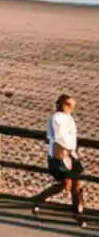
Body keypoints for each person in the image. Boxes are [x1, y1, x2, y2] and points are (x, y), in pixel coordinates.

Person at [30, 94, 87, 225]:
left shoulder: (69, 118)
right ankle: (39, 199)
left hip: (71, 154)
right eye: (70, 105)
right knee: (65, 183)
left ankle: (78, 212)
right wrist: (66, 153)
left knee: (77, 183)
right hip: (60, 154)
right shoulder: (56, 118)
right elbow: (59, 136)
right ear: (63, 104)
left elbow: (71, 137)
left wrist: (73, 152)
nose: (72, 107)